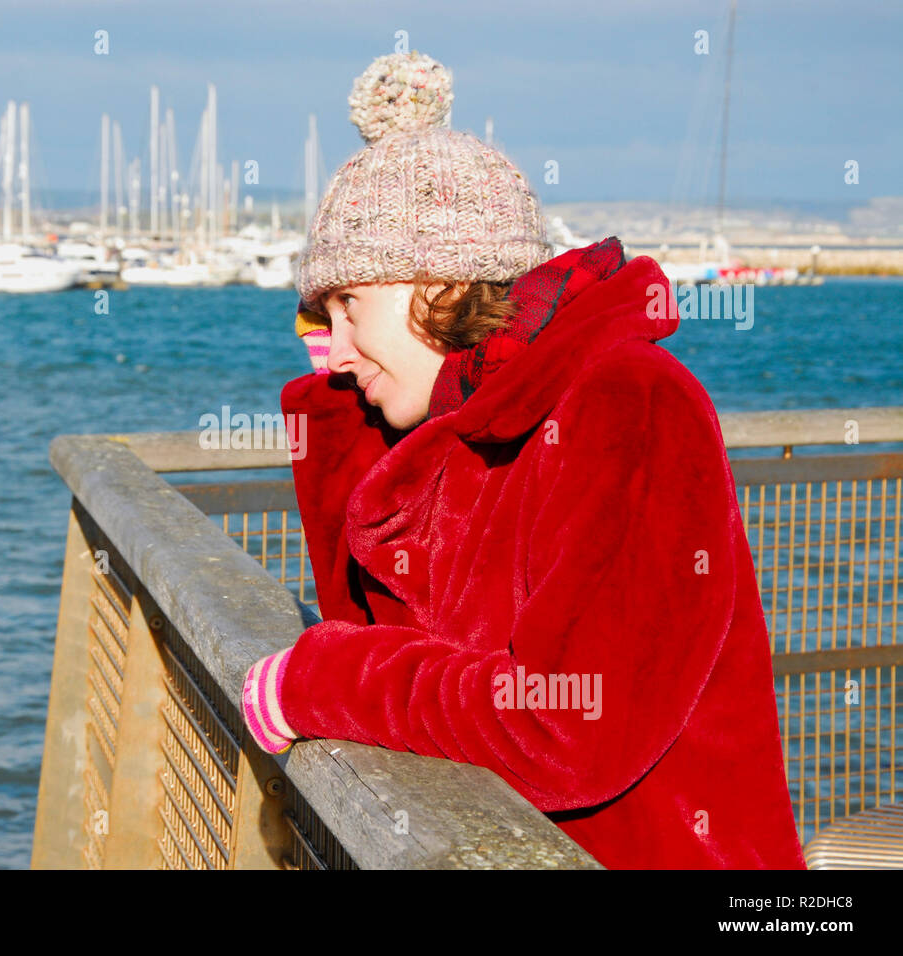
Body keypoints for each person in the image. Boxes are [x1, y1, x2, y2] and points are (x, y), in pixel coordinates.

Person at [240, 51, 806, 869]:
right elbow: (377, 625)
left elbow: (570, 727)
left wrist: (321, 681)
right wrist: (341, 424)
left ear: (437, 281)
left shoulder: (627, 405)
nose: (331, 349)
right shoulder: (454, 428)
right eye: (320, 316)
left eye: (348, 305)